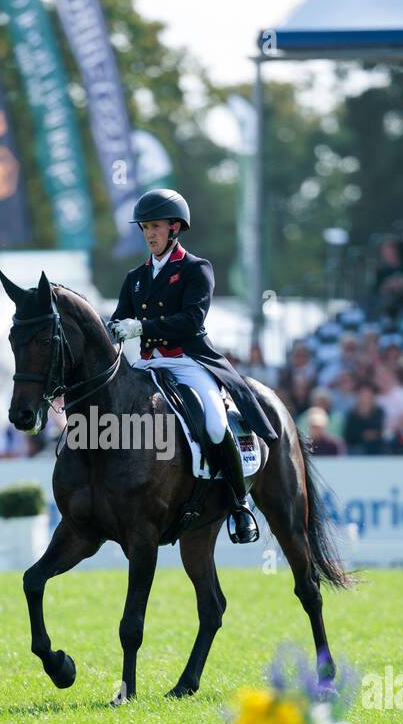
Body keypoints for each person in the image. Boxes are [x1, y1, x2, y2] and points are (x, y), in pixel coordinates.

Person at [108, 187, 278, 544]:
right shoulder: (135, 278)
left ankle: (238, 504)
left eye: (155, 226)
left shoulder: (196, 269)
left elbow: (190, 319)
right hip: (149, 365)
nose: (149, 234)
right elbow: (119, 321)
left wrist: (142, 327)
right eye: (144, 227)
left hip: (189, 362)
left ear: (174, 228)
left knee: (215, 426)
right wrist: (109, 330)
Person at [343, 384, 385, 456]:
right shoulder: (352, 414)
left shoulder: (379, 412)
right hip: (356, 448)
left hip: (375, 448)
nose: (366, 398)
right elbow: (348, 436)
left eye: (368, 396)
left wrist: (362, 434)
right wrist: (364, 435)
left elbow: (378, 431)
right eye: (363, 395)